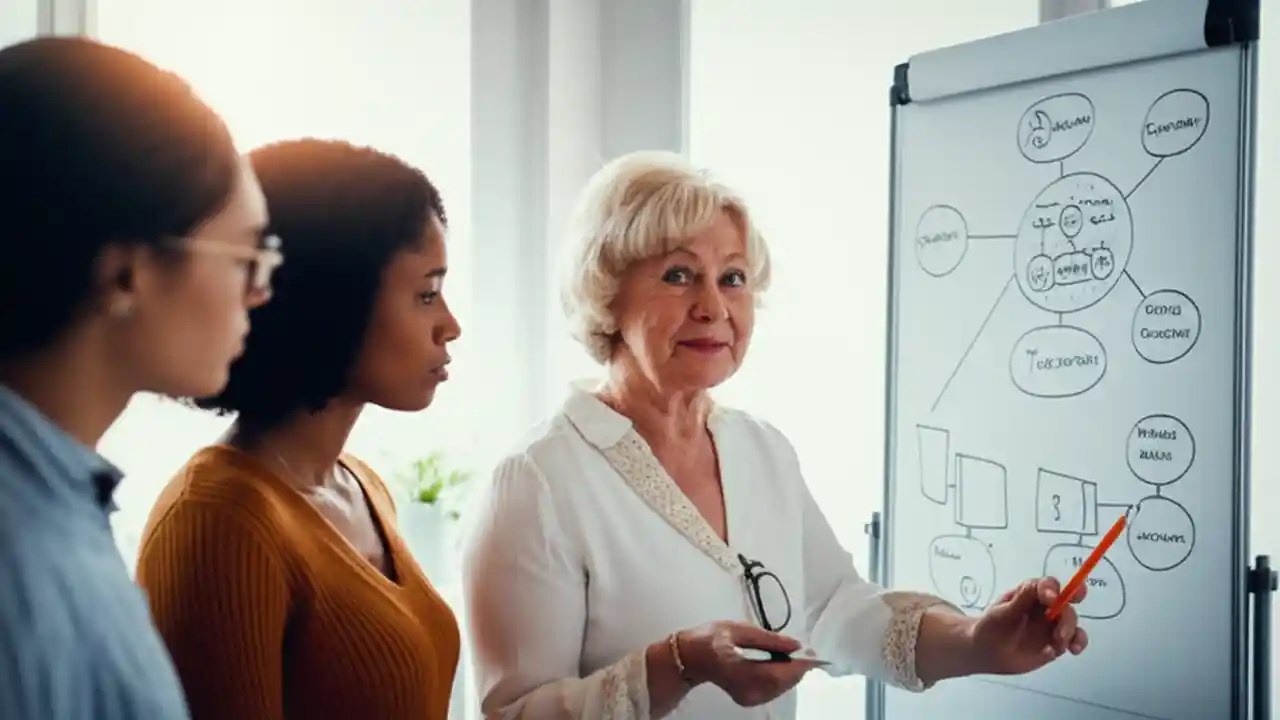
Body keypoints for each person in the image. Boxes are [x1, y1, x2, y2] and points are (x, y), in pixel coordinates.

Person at [459, 150, 1089, 718]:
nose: (714, 306)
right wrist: (678, 663)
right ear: (607, 293)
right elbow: (514, 714)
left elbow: (838, 611)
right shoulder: (537, 481)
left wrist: (978, 640)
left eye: (732, 278)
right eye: (679, 275)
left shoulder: (761, 449)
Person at [134, 138, 463, 720]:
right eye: (426, 294)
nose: (450, 326)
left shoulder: (360, 484)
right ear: (336, 297)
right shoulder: (218, 522)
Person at [0, 36, 277, 720]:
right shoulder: (18, 556)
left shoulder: (61, 502)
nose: (260, 291)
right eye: (246, 255)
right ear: (127, 272)